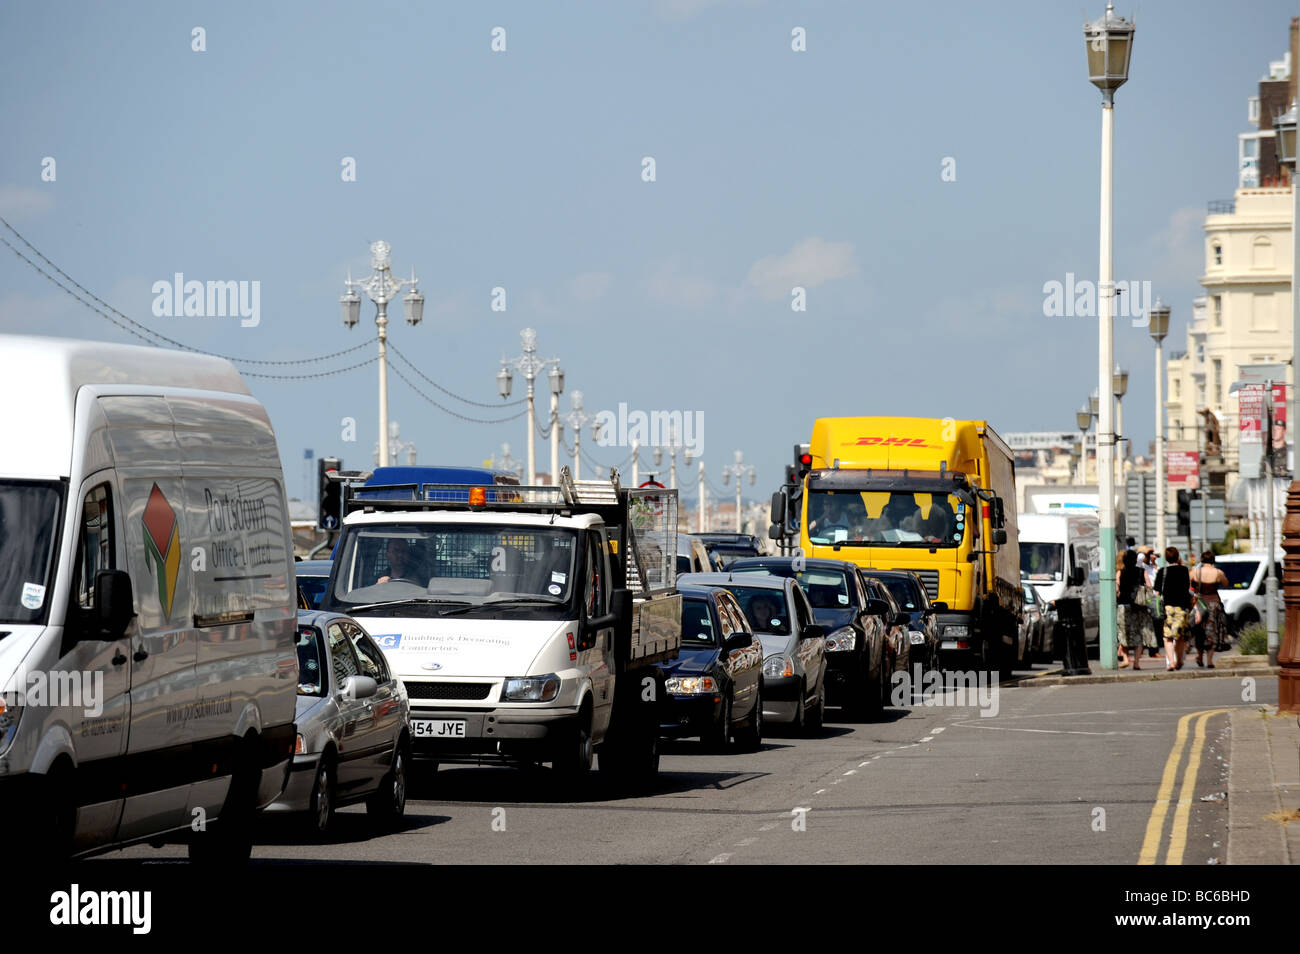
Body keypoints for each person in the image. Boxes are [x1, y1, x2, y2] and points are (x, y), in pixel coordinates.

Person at [1154, 547, 1191, 671]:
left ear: (1166, 558)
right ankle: (1179, 660)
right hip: (1182, 607)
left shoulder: (1162, 572)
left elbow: (1157, 591)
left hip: (1168, 607)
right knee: (1180, 636)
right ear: (1178, 556)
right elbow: (1187, 588)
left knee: (1168, 637)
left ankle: (1171, 662)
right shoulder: (1184, 570)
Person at [1190, 550, 1229, 668]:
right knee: (1212, 631)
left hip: (1200, 603)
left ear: (1202, 560)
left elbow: (1189, 587)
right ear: (1213, 560)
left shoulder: (1194, 572)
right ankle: (1210, 660)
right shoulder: (1218, 572)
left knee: (1199, 631)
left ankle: (1200, 657)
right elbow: (1226, 583)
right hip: (1214, 603)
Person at [1116, 549, 1147, 670]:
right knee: (1138, 634)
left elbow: (1117, 589)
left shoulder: (1120, 572)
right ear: (1136, 560)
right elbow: (1148, 586)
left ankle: (1125, 658)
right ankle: (1137, 662)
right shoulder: (1141, 572)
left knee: (1123, 634)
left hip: (1124, 605)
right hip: (1138, 606)